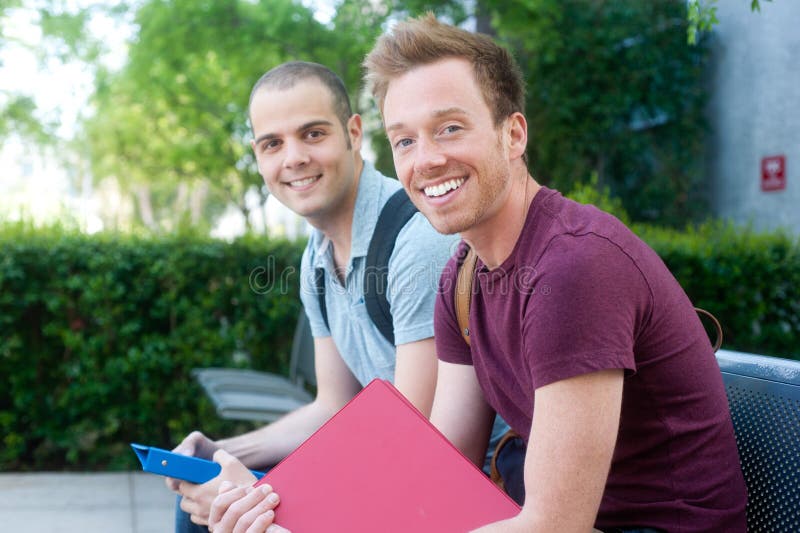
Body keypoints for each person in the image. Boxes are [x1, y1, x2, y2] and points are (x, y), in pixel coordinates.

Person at [209, 14, 748, 533]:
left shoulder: (572, 268)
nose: (426, 160)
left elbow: (553, 526)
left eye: (449, 128)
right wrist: (282, 503)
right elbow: (439, 470)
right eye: (405, 140)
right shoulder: (464, 277)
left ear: (513, 135)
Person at [167, 60, 460, 531]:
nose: (294, 158)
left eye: (313, 134)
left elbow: (415, 438)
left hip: (458, 489)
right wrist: (223, 455)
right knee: (205, 498)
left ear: (354, 132)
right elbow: (333, 406)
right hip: (393, 461)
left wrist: (253, 490)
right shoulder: (317, 259)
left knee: (229, 510)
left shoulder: (417, 240)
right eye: (272, 144)